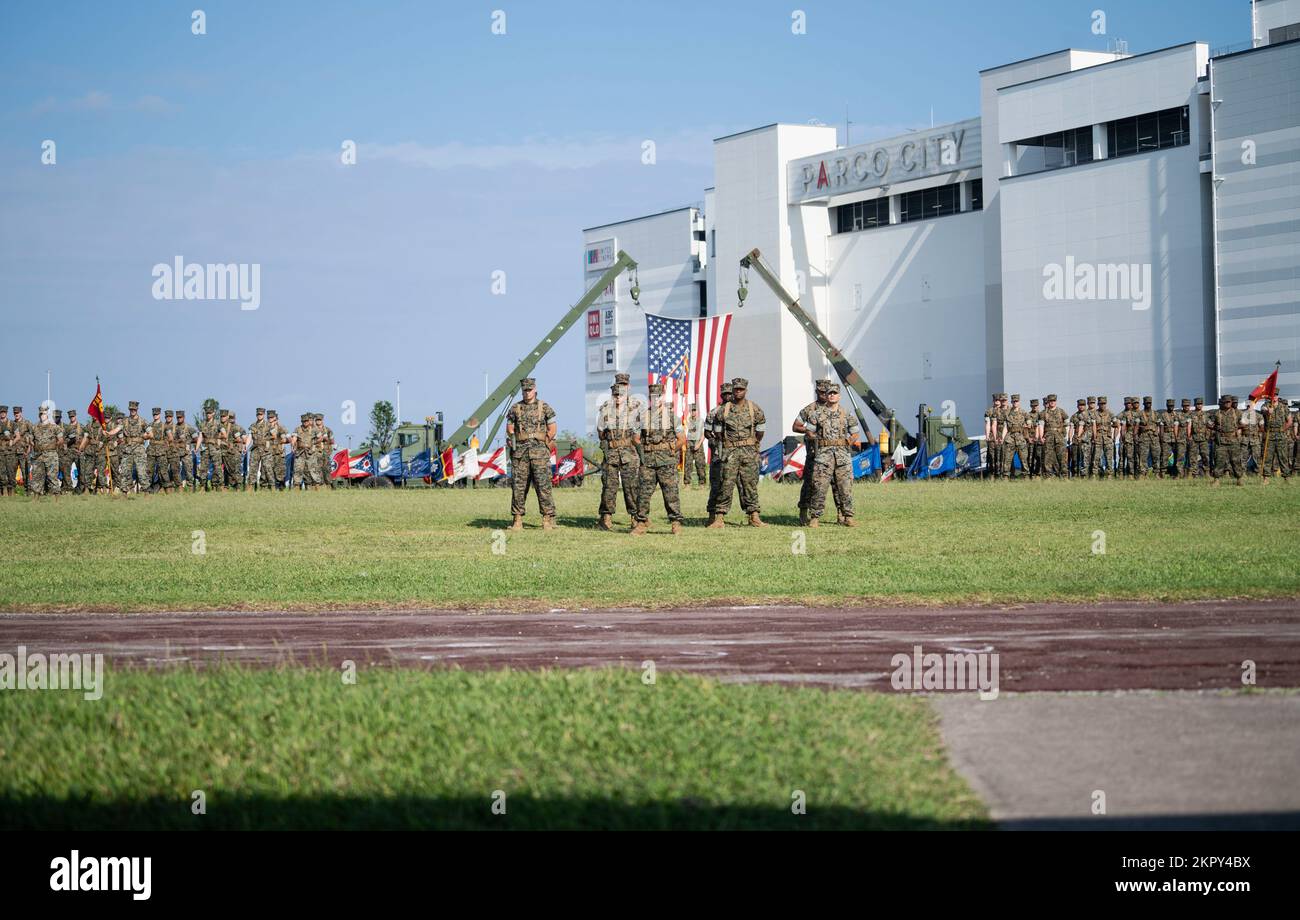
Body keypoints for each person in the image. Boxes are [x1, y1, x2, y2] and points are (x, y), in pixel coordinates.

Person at [708, 377, 766, 528]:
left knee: (750, 484)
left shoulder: (755, 409)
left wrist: (751, 444)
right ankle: (719, 518)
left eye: (741, 389)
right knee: (725, 484)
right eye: (736, 389)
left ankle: (754, 516)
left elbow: (760, 432)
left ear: (746, 391)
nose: (738, 392)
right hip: (730, 452)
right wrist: (730, 446)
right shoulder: (724, 410)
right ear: (733, 390)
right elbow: (718, 433)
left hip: (749, 453)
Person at [633, 382, 685, 535]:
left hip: (667, 462)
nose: (655, 399)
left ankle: (675, 523)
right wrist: (643, 452)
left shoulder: (672, 417)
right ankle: (641, 523)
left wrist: (671, 450)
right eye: (652, 397)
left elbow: (682, 439)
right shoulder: (642, 417)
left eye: (658, 396)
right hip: (648, 462)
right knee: (643, 493)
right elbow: (635, 438)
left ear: (662, 396)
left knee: (671, 493)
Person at [505, 377, 557, 530]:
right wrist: (512, 435)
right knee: (519, 487)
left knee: (544, 486)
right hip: (520, 454)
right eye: (524, 390)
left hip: (540, 454)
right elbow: (509, 428)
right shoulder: (515, 408)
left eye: (529, 390)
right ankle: (517, 520)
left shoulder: (544, 407)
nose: (527, 393)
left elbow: (552, 429)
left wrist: (545, 441)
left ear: (535, 389)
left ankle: (547, 519)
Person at [806, 382, 860, 526]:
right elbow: (809, 431)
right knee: (819, 486)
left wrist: (849, 441)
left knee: (845, 487)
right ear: (826, 395)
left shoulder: (846, 413)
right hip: (823, 456)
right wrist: (815, 437)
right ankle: (815, 517)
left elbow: (855, 432)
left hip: (842, 456)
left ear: (839, 396)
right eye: (829, 393)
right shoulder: (817, 414)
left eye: (834, 393)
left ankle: (848, 516)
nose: (831, 395)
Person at [595, 381, 640, 530]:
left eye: (620, 394)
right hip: (611, 453)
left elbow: (640, 432)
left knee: (631, 486)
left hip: (629, 453)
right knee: (609, 486)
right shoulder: (605, 410)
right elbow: (601, 433)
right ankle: (606, 518)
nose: (618, 397)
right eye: (615, 394)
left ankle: (635, 518)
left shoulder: (635, 409)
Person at [792, 380, 829, 522]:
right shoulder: (809, 409)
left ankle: (842, 514)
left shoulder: (836, 409)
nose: (824, 395)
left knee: (836, 483)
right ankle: (803, 512)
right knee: (809, 482)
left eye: (826, 392)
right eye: (821, 392)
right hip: (814, 452)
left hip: (832, 452)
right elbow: (795, 426)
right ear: (817, 392)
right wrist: (811, 430)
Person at [704, 382, 733, 519]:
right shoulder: (714, 412)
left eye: (730, 393)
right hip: (719, 452)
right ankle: (712, 513)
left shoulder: (738, 411)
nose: (728, 396)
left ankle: (752, 515)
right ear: (721, 395)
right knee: (716, 484)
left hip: (736, 453)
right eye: (725, 394)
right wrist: (715, 441)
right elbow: (707, 432)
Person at [28, 405, 62, 497]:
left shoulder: (54, 427)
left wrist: (54, 446)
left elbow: (61, 440)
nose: (42, 415)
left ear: (48, 415)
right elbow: (31, 439)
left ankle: (56, 498)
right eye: (41, 414)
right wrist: (31, 443)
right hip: (38, 455)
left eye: (44, 414)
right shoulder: (34, 427)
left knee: (52, 476)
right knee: (37, 476)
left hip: (51, 455)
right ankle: (36, 497)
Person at [1211, 395, 1245, 486]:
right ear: (1222, 402)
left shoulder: (1237, 413)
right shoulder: (1217, 413)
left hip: (1233, 440)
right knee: (1219, 461)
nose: (1227, 403)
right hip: (1221, 441)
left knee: (1236, 461)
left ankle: (1239, 479)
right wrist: (1215, 427)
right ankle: (1216, 480)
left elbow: (1244, 423)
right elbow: (1209, 423)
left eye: (1229, 402)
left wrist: (1237, 427)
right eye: (1225, 402)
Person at [1261, 392, 1292, 483]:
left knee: (1283, 457)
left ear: (1277, 396)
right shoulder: (1265, 405)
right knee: (1267, 457)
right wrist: (1268, 412)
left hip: (1280, 435)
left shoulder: (1284, 407)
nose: (1273, 397)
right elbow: (1263, 410)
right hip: (1269, 435)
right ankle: (1266, 478)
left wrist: (1283, 429)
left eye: (1275, 395)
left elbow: (1289, 420)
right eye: (1272, 395)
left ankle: (1286, 477)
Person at [1038, 394, 1068, 478]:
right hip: (1048, 436)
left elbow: (1067, 422)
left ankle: (1064, 475)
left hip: (1059, 437)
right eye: (1050, 401)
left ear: (1056, 401)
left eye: (1053, 401)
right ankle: (1048, 476)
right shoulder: (1043, 413)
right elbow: (1041, 425)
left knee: (1062, 457)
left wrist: (1064, 433)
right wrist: (1041, 437)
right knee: (1048, 457)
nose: (1052, 402)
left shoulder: (1061, 411)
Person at [1003, 394, 1029, 479]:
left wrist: (1025, 426)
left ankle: (1025, 475)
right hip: (1010, 437)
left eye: (1016, 401)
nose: (1015, 403)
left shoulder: (1024, 412)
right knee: (1007, 458)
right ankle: (1006, 476)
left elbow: (1029, 424)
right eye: (1013, 401)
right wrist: (1003, 438)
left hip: (1020, 438)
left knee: (1023, 458)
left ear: (1019, 402)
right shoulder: (1007, 413)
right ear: (1011, 402)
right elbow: (1005, 427)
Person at [683, 401, 708, 489]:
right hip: (689, 443)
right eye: (691, 410)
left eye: (694, 410)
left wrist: (699, 443)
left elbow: (704, 433)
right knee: (688, 465)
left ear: (697, 411)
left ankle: (702, 484)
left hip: (698, 443)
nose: (693, 412)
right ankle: (687, 484)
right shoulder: (687, 421)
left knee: (700, 464)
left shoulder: (701, 420)